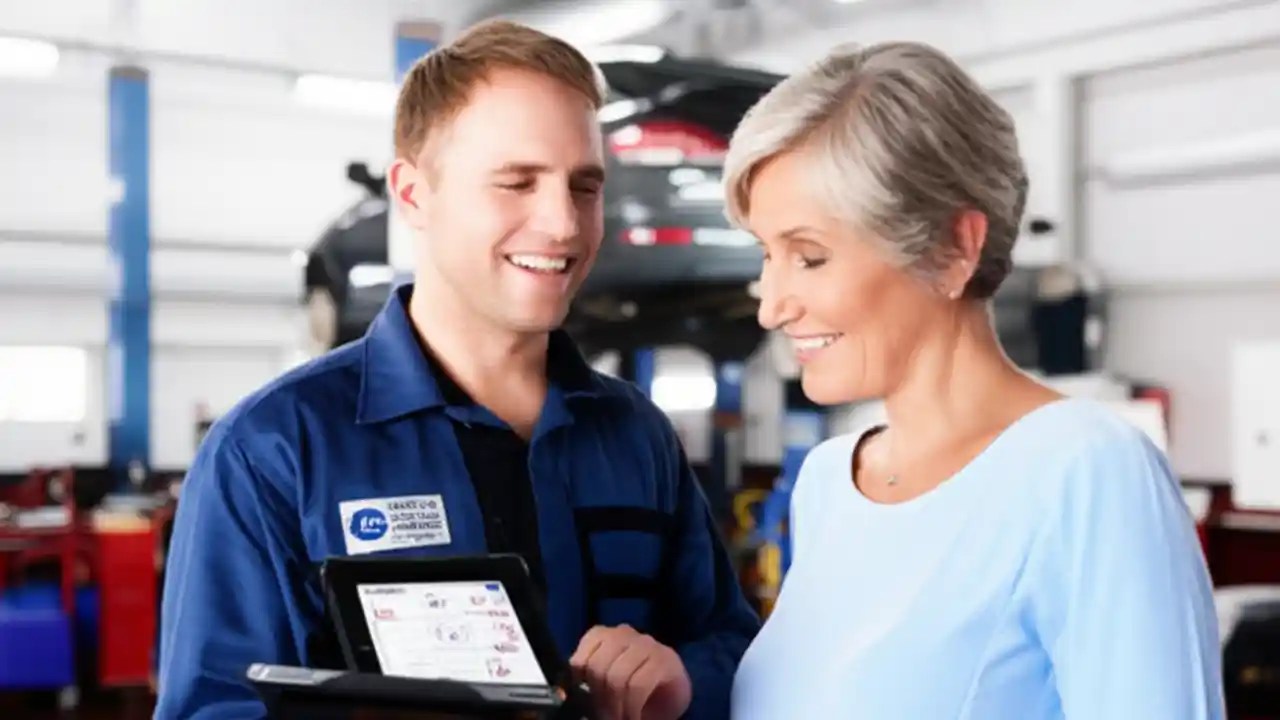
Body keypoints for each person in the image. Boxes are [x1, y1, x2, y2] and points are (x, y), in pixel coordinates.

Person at [156, 19, 759, 720]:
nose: (563, 223)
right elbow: (213, 707)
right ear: (413, 194)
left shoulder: (635, 437)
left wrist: (685, 677)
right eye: (516, 183)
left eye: (584, 186)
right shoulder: (276, 452)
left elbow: (734, 651)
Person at [722, 41, 1224, 719]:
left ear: (954, 246)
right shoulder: (829, 482)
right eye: (767, 255)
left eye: (809, 257)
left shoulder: (1083, 472)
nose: (772, 304)